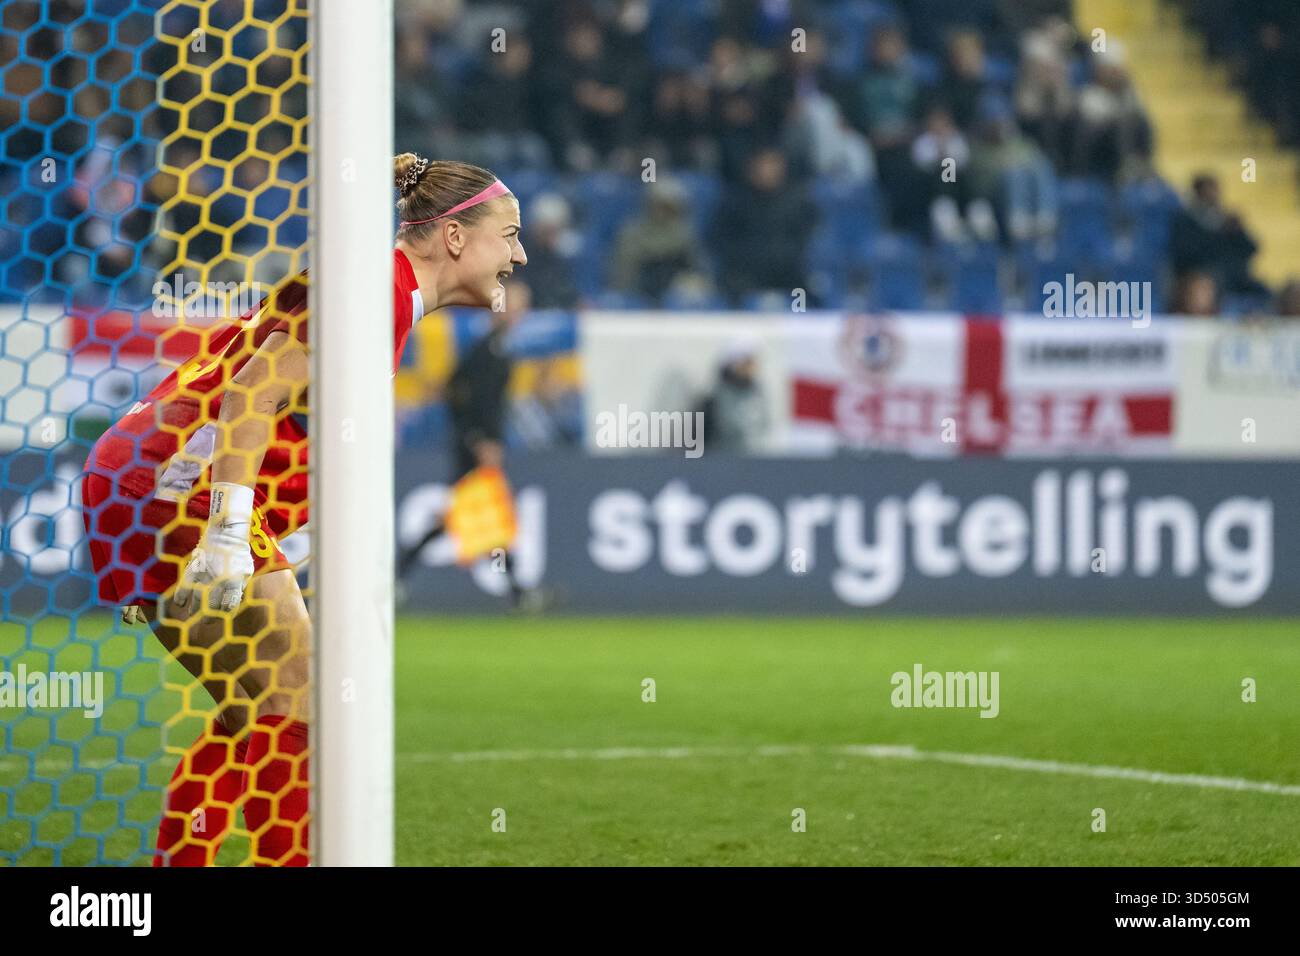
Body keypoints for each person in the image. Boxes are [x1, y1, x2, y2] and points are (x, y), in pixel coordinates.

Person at [80, 155, 525, 866]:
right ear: (452, 237)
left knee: (248, 708)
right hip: (174, 482)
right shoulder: (379, 290)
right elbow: (252, 394)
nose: (520, 253)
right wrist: (225, 531)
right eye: (509, 233)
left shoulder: (382, 289)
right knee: (304, 697)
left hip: (133, 475)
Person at [395, 278, 543, 609]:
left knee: (470, 516)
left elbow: (454, 389)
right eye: (516, 305)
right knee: (484, 514)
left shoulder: (495, 348)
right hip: (475, 447)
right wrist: (480, 440)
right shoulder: (488, 351)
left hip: (476, 444)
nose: (519, 312)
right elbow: (467, 398)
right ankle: (518, 590)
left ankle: (400, 573)